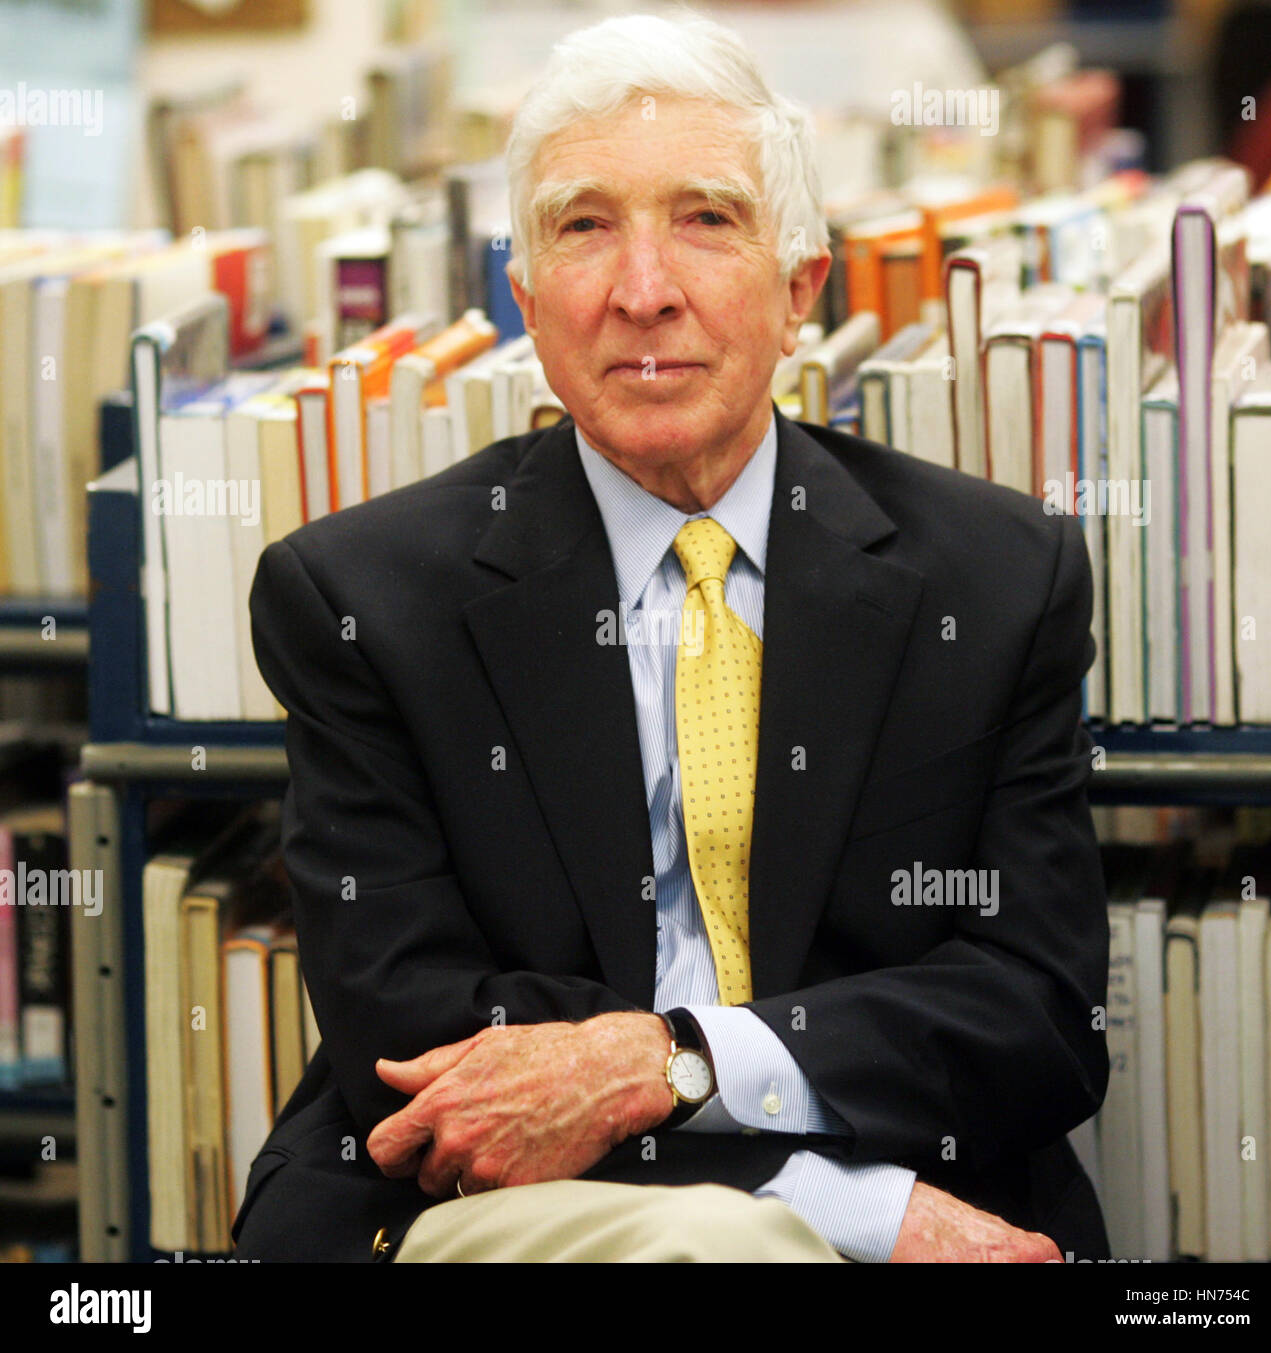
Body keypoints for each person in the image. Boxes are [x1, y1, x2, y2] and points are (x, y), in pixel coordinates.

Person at [234, 11, 1110, 1263]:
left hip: (926, 1169)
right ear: (527, 298)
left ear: (801, 285)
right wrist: (826, 1202)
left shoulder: (996, 577)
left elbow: (1035, 1010)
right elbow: (414, 1038)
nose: (643, 291)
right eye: (585, 227)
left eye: (706, 219)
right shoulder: (359, 599)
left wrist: (669, 1062)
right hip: (489, 1199)